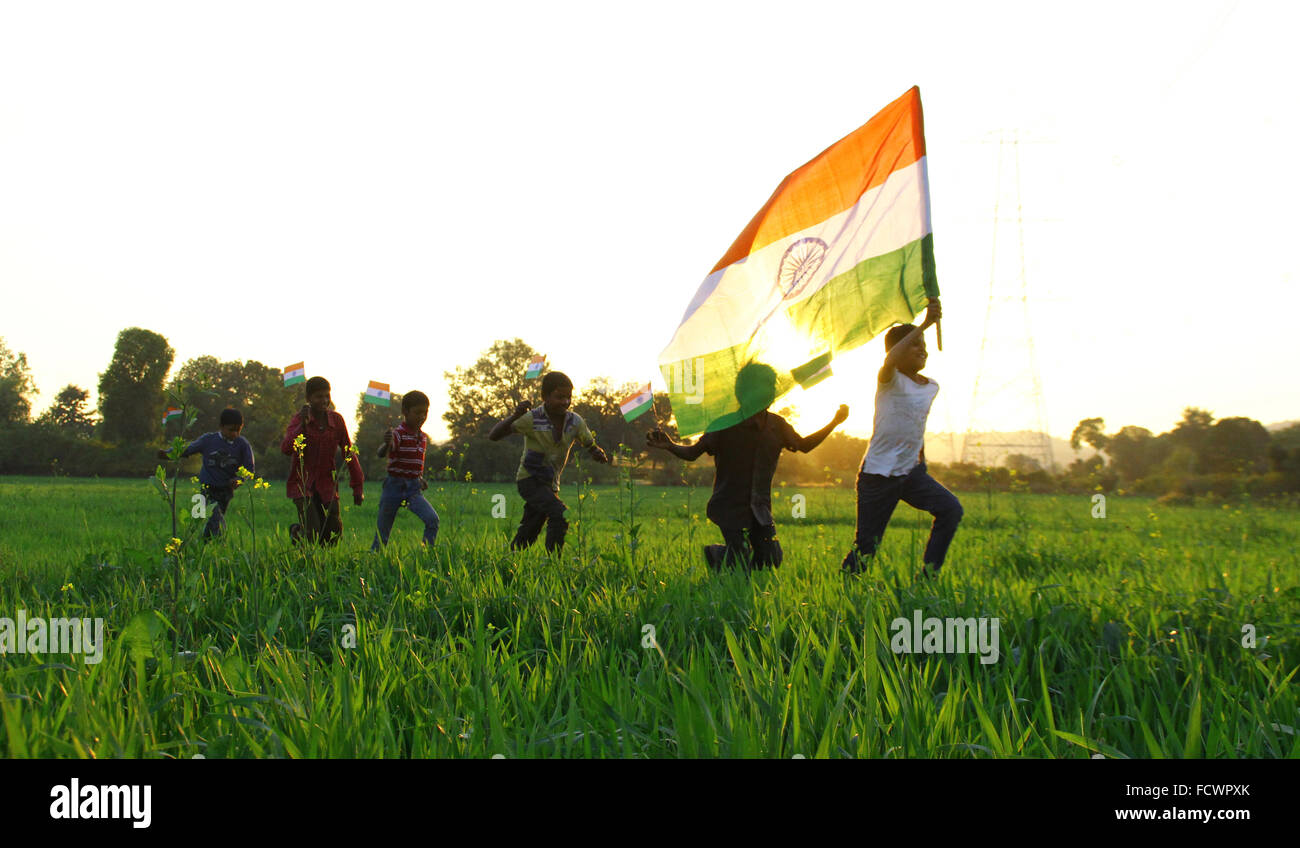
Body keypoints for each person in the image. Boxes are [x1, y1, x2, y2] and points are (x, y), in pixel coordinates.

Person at [646, 362, 848, 572]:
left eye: (770, 388)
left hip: (759, 507)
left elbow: (804, 446)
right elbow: (693, 452)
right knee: (741, 557)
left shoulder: (777, 426)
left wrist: (834, 422)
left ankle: (727, 562)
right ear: (743, 394)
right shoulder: (724, 425)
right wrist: (670, 445)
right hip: (729, 506)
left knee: (771, 558)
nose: (767, 393)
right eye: (760, 389)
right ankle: (721, 557)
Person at [841, 298, 962, 579]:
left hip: (911, 474)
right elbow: (890, 360)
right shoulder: (889, 379)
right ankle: (846, 585)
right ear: (898, 350)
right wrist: (926, 323)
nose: (922, 351)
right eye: (915, 345)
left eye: (924, 346)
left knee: (951, 509)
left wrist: (919, 462)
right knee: (867, 546)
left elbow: (914, 426)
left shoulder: (931, 386)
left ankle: (928, 575)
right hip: (878, 475)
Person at [488, 371, 609, 554]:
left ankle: (510, 558)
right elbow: (494, 436)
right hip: (529, 480)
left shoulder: (575, 421)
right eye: (559, 397)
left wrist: (596, 452)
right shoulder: (532, 418)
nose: (565, 402)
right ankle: (553, 563)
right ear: (544, 397)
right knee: (560, 514)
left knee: (532, 526)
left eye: (568, 397)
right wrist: (514, 415)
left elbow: (589, 442)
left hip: (550, 483)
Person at [280, 376, 364, 545]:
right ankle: (297, 533)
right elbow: (286, 449)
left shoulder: (337, 421)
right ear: (308, 399)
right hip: (302, 483)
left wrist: (357, 486)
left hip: (327, 483)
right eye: (319, 396)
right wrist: (302, 427)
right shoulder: (299, 420)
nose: (324, 400)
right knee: (313, 532)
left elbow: (349, 452)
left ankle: (326, 566)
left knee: (333, 533)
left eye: (327, 396)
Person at [158, 407, 254, 539]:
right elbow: (188, 449)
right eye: (231, 430)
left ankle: (203, 545)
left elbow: (249, 468)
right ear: (221, 426)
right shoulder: (208, 440)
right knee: (216, 521)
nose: (235, 434)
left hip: (226, 491)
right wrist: (169, 453)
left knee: (212, 523)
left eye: (238, 430)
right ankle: (219, 544)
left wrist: (239, 479)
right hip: (208, 489)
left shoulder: (242, 445)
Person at [372, 390, 439, 551]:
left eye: (425, 413)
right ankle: (373, 558)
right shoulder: (398, 434)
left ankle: (426, 554)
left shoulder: (422, 437)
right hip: (394, 487)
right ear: (405, 412)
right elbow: (382, 452)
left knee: (432, 520)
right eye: (417, 413)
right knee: (383, 532)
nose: (422, 417)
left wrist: (420, 478)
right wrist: (386, 443)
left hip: (413, 488)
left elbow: (415, 463)